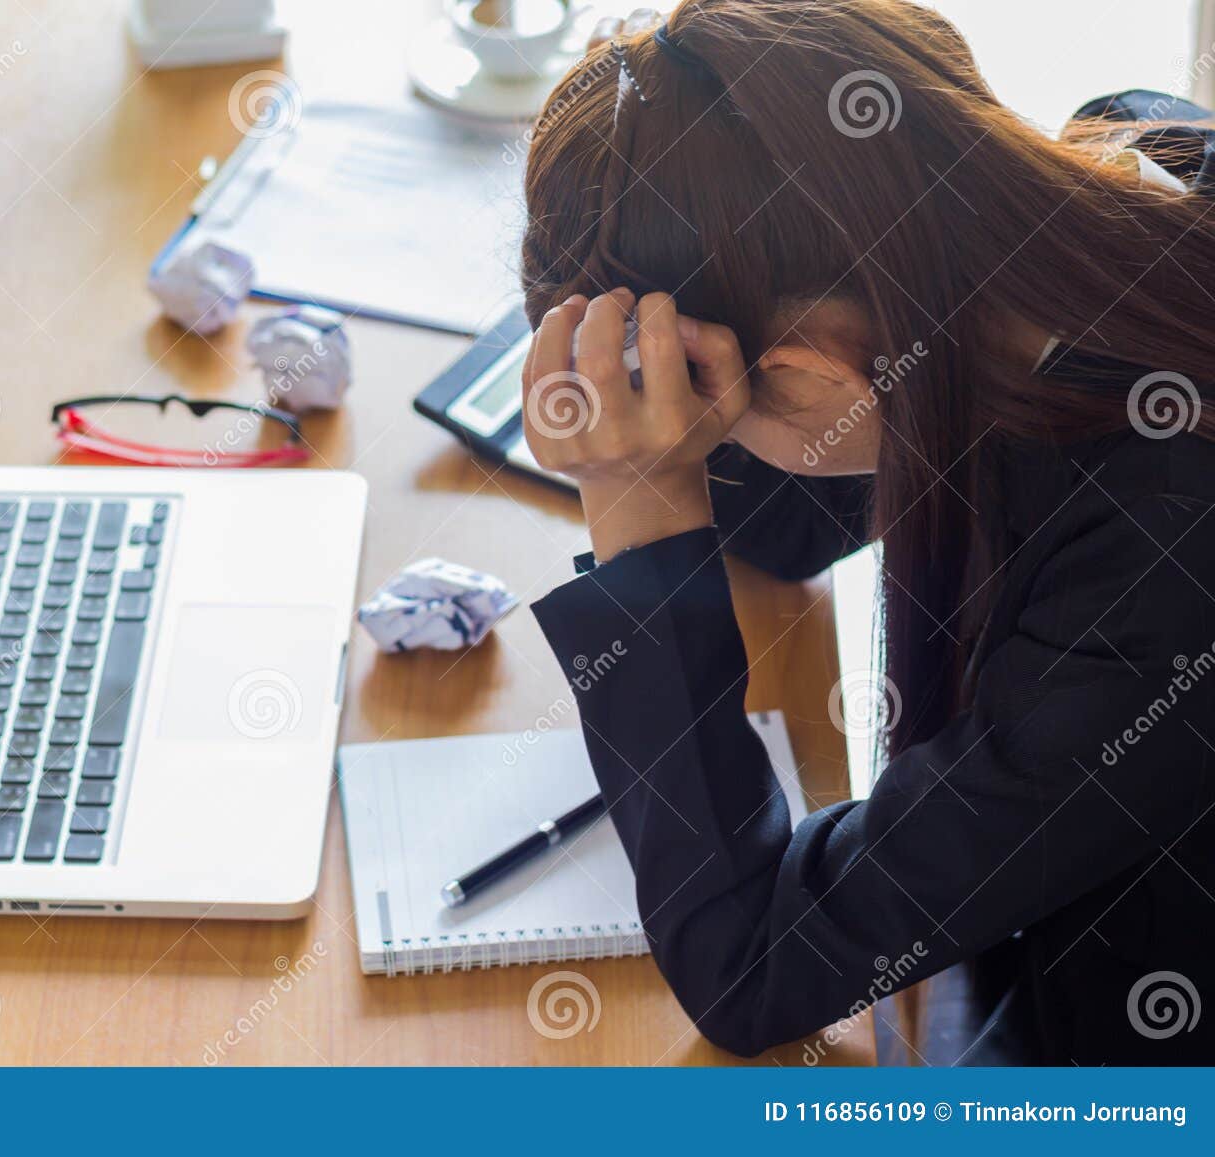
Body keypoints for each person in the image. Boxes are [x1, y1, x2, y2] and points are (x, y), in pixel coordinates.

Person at [519, 0, 1215, 1064]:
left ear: (813, 376)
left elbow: (752, 967)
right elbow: (805, 518)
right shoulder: (1117, 168)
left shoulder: (1156, 559)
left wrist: (639, 498)